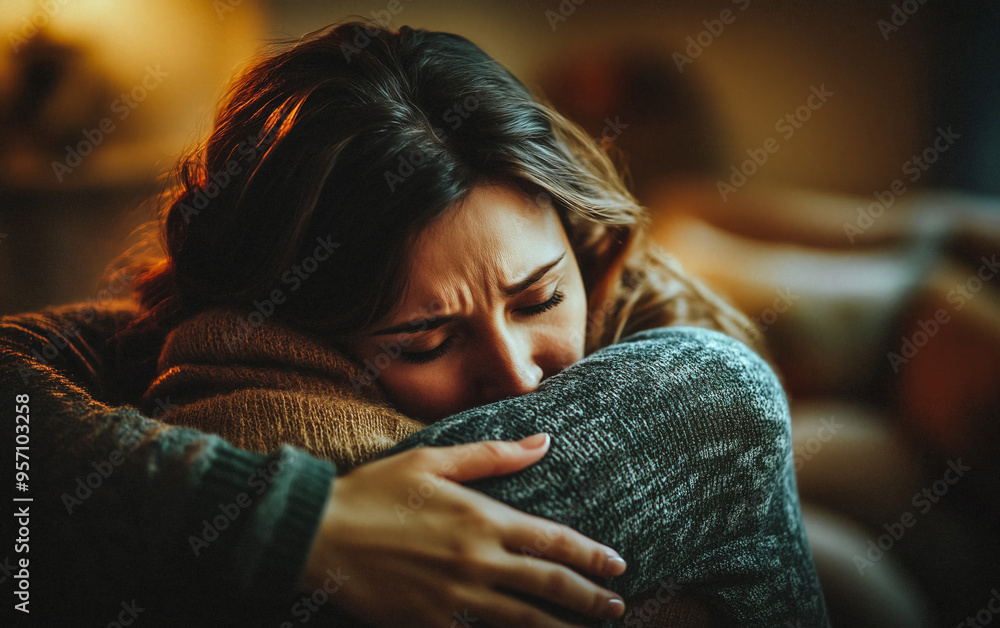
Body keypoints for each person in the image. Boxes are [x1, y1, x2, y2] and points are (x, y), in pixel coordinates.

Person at [0, 21, 829, 627]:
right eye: (425, 343)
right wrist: (297, 521)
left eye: (540, 299)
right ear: (291, 335)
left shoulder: (611, 273)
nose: (515, 375)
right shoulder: (704, 394)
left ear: (583, 248)